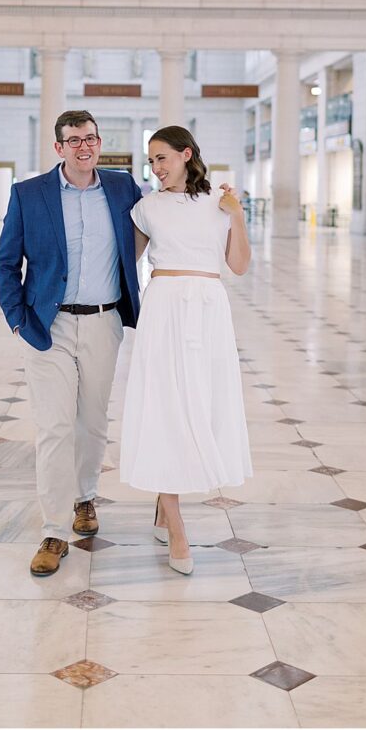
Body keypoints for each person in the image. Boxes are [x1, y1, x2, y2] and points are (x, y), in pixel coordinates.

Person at [0, 110, 145, 577]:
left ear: (100, 143)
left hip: (104, 323)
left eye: (91, 138)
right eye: (74, 140)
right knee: (54, 428)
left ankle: (85, 499)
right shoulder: (29, 194)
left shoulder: (123, 189)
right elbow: (5, 263)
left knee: (92, 421)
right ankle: (54, 530)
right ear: (58, 148)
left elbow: (152, 229)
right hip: (49, 328)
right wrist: (19, 322)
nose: (84, 146)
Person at [122, 126, 253, 574]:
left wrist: (236, 214)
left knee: (202, 403)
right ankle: (177, 527)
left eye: (162, 158)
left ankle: (164, 504)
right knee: (165, 407)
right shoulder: (147, 207)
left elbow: (237, 264)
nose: (156, 168)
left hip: (209, 310)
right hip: (163, 308)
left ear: (186, 155)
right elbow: (125, 262)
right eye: (151, 161)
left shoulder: (219, 200)